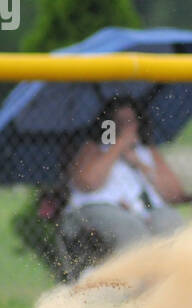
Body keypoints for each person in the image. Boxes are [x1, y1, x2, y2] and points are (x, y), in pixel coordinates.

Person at [63, 96, 185, 254]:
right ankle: (135, 277)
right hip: (99, 208)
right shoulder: (94, 148)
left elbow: (174, 194)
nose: (125, 127)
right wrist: (118, 145)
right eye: (119, 121)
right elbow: (89, 183)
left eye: (130, 121)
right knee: (132, 232)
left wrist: (139, 163)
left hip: (141, 210)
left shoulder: (146, 151)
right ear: (108, 124)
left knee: (171, 223)